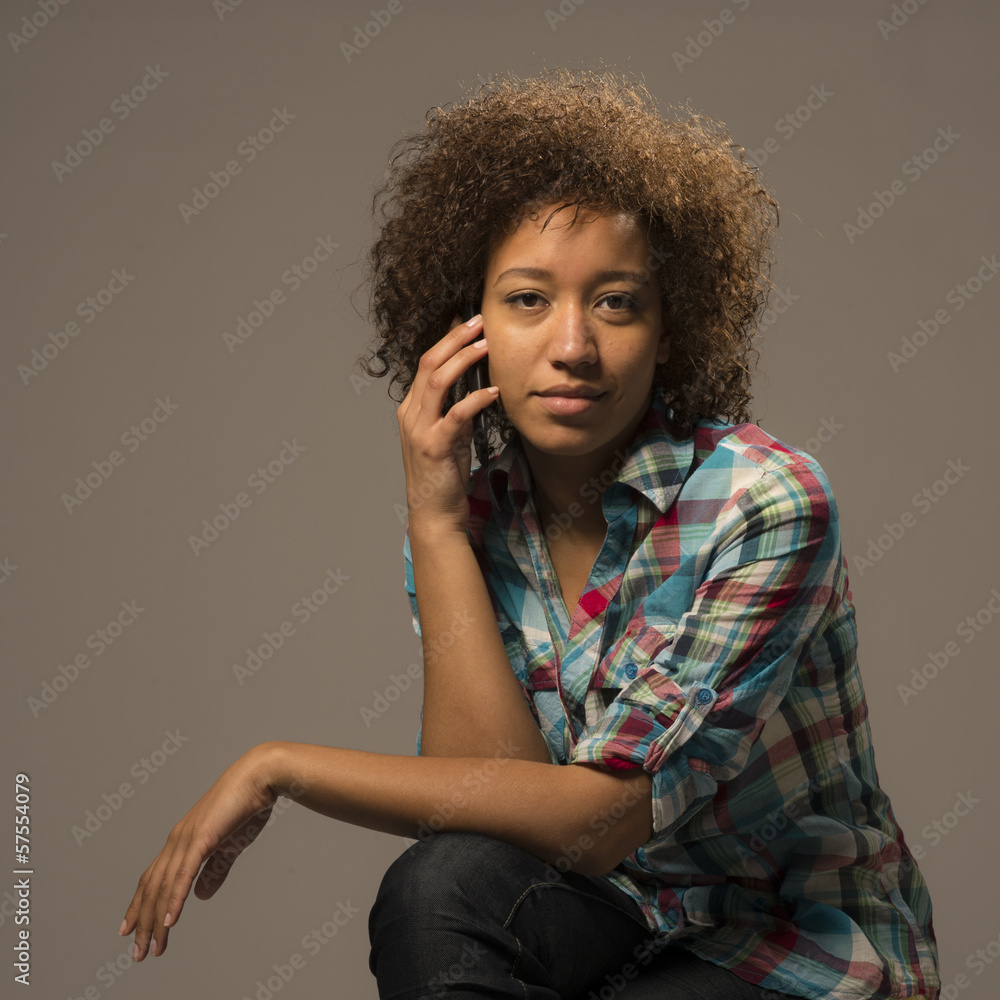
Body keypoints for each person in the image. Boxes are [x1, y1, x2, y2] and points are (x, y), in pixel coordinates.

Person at [120, 68, 940, 1000]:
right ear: (465, 327)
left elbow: (602, 821)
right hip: (612, 919)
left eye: (617, 301)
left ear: (671, 329)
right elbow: (482, 810)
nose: (573, 346)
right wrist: (435, 521)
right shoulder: (473, 521)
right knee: (438, 888)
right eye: (527, 300)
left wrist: (280, 766)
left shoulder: (765, 502)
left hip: (788, 952)